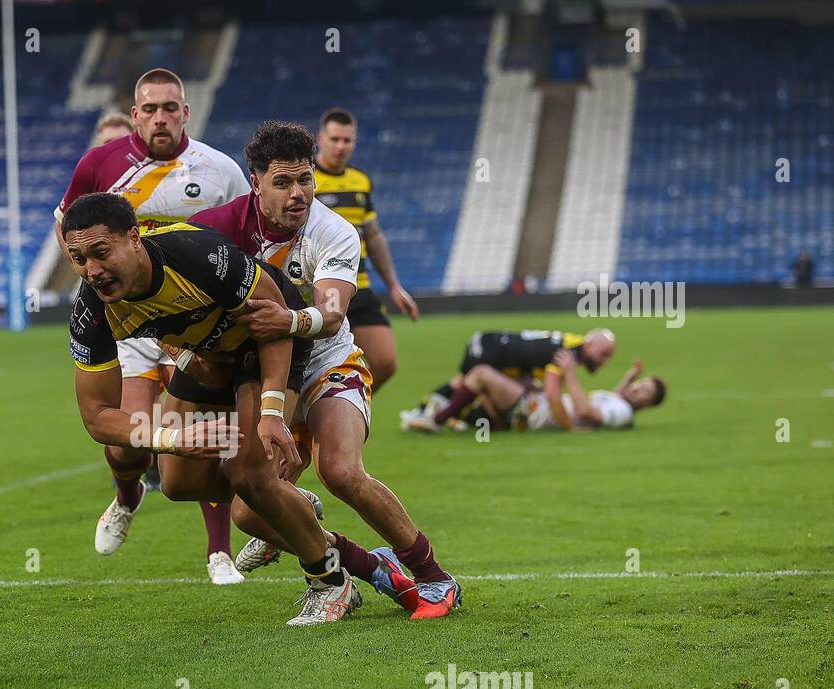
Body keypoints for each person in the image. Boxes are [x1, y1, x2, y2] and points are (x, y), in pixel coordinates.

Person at [64, 192, 400, 625]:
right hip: (208, 358)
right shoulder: (90, 313)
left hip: (267, 340)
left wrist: (273, 411)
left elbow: (274, 319)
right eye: (78, 258)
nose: (91, 270)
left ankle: (330, 583)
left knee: (248, 472)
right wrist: (173, 438)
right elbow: (97, 416)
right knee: (178, 483)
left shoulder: (198, 254)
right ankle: (289, 501)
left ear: (134, 238)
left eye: (100, 252)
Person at [188, 120, 460, 618]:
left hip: (327, 362)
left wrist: (287, 319)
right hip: (267, 377)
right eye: (283, 182)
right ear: (255, 181)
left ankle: (433, 575)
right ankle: (369, 568)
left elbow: (332, 311)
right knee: (250, 508)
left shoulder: (333, 230)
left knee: (340, 470)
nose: (299, 194)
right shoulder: (219, 228)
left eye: (306, 180)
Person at [54, 69, 250, 583]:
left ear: (186, 111)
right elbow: (66, 227)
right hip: (132, 325)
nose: (160, 117)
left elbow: (242, 242)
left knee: (207, 431)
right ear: (135, 114)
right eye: (149, 109)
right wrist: (92, 283)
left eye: (170, 107)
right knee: (129, 442)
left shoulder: (220, 169)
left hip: (195, 321)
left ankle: (218, 551)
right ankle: (127, 496)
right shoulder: (99, 165)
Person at [314, 108, 420, 391]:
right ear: (320, 139)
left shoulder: (361, 181)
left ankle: (349, 413)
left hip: (359, 287)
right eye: (335, 139)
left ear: (355, 141)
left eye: (347, 140)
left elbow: (372, 235)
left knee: (385, 363)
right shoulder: (305, 180)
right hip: (323, 290)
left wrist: (394, 286)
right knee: (317, 368)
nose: (340, 146)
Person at [402, 328, 617, 433]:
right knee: (471, 380)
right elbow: (552, 394)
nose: (604, 362)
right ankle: (435, 417)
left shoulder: (569, 341)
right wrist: (570, 428)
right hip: (493, 348)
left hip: (494, 344)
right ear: (589, 345)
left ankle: (428, 413)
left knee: (465, 383)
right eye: (603, 354)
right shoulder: (569, 352)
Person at [453, 351, 665, 432]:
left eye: (644, 392)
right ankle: (461, 420)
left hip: (540, 411)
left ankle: (439, 415)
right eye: (641, 384)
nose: (637, 389)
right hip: (541, 406)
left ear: (647, 405)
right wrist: (630, 378)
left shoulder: (622, 413)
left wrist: (570, 373)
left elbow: (585, 412)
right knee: (481, 384)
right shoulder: (619, 403)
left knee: (482, 374)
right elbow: (613, 398)